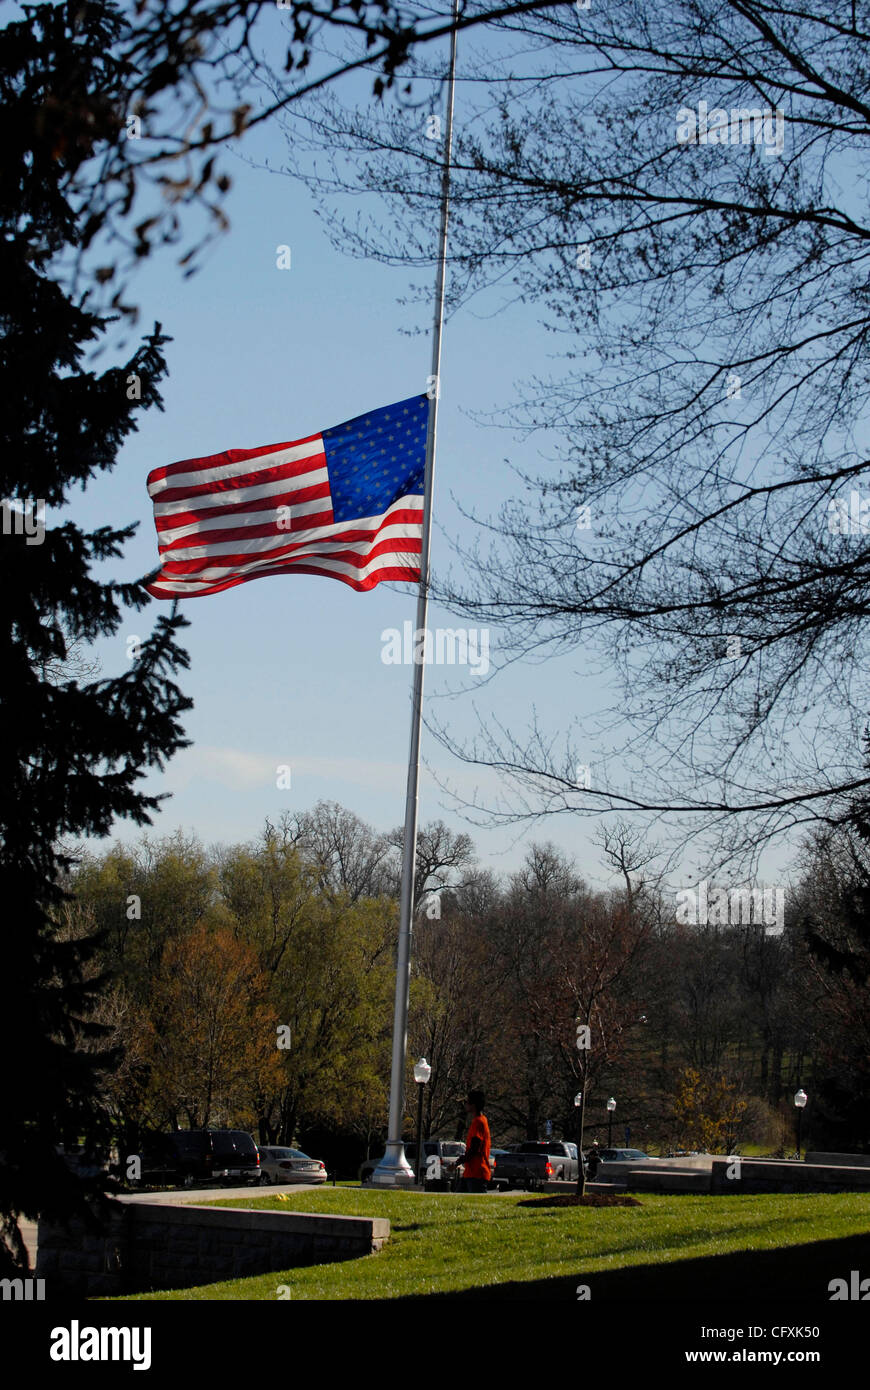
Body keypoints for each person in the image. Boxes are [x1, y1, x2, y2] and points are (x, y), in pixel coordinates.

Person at [457, 1089, 491, 1193]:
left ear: (473, 1105)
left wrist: (461, 1160)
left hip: (477, 1173)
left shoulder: (479, 1122)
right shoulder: (480, 1121)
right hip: (471, 1172)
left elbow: (475, 1147)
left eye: (467, 1102)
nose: (465, 1104)